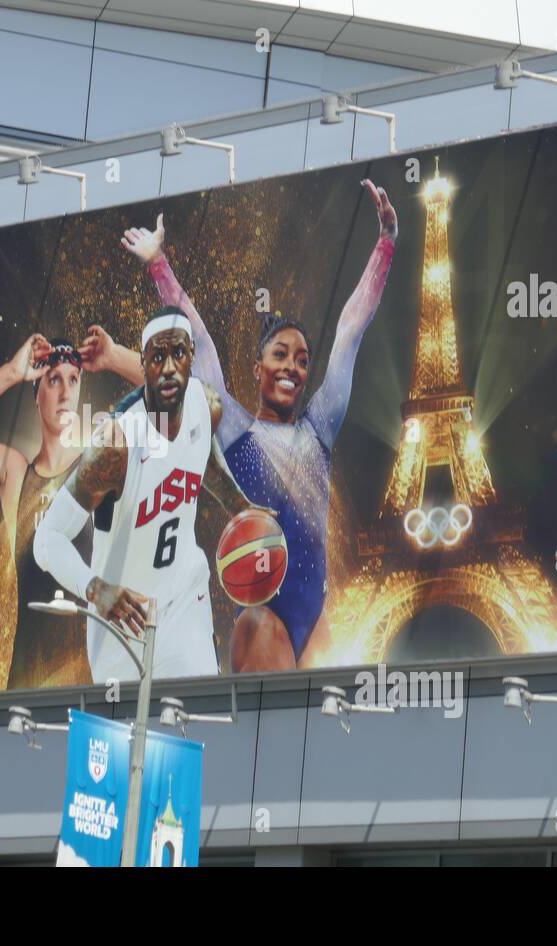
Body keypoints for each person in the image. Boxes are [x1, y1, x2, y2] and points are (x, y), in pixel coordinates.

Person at [121, 179, 397, 672]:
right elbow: (200, 343)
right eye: (280, 355)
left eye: (302, 360)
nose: (293, 367)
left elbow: (351, 330)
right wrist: (159, 265)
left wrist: (385, 245)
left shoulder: (320, 428)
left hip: (315, 618)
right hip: (263, 615)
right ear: (258, 368)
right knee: (271, 743)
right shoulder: (234, 430)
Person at [33, 310, 272, 681]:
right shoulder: (116, 445)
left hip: (182, 600)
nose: (169, 368)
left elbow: (201, 451)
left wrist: (239, 504)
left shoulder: (206, 405)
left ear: (192, 354)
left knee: (199, 720)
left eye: (178, 353)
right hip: (122, 618)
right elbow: (46, 540)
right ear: (143, 365)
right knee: (130, 737)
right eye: (157, 358)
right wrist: (96, 589)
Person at [0, 327, 142, 688]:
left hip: (95, 681)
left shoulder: (102, 465)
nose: (66, 393)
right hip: (27, 685)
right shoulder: (16, 476)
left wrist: (114, 358)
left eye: (73, 380)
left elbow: (182, 401)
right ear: (36, 394)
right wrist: (13, 373)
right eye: (53, 381)